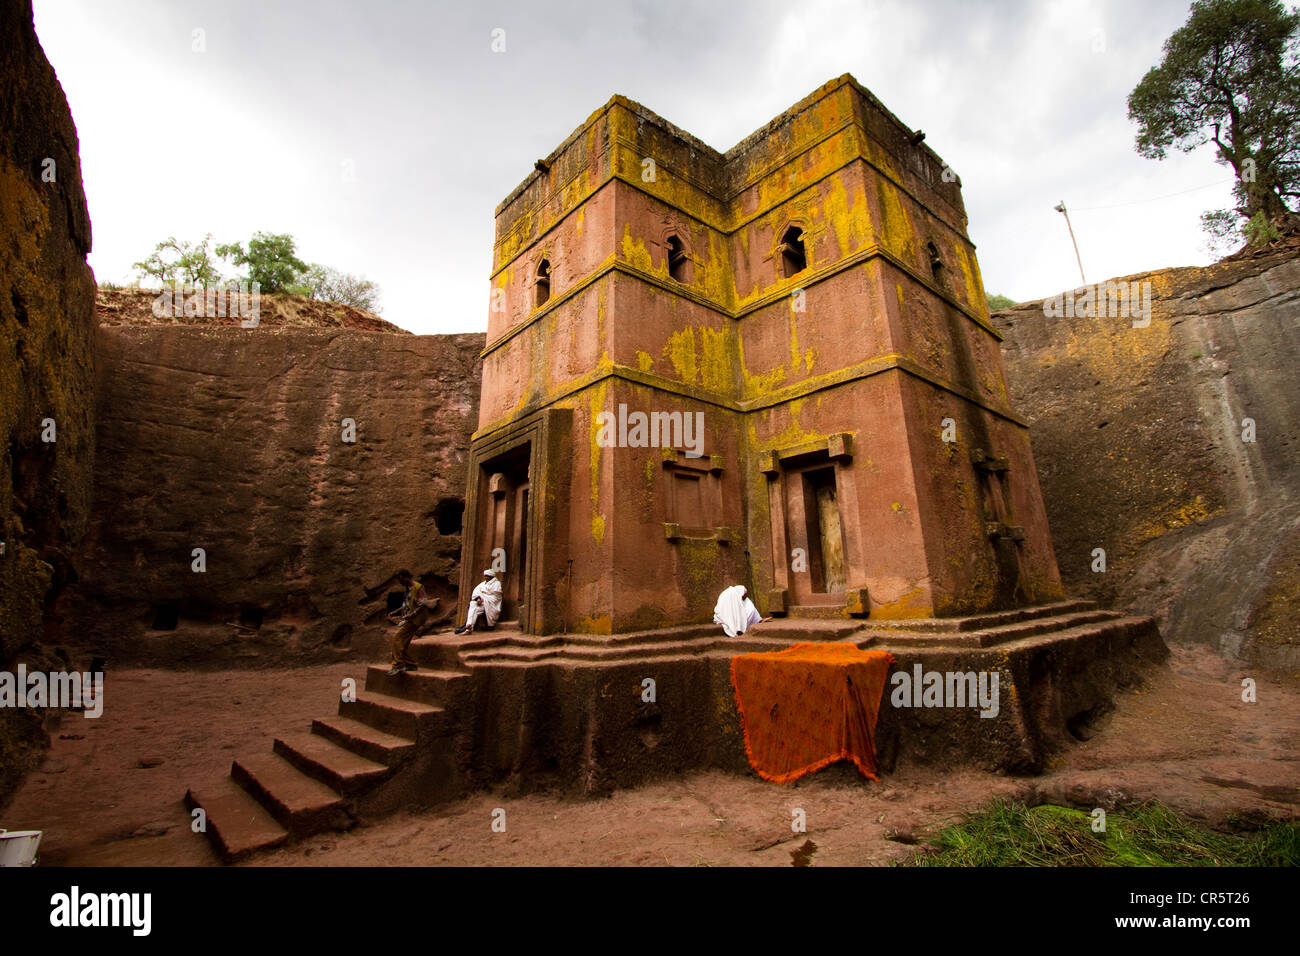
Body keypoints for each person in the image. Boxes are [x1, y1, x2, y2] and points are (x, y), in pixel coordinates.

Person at [389, 570, 436, 676]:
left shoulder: (418, 587)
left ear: (406, 577)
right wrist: (395, 612)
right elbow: (407, 603)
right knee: (403, 642)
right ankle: (410, 664)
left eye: (401, 579)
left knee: (397, 638)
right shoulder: (407, 588)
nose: (400, 582)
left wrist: (412, 615)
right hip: (408, 618)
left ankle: (398, 665)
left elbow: (423, 605)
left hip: (415, 619)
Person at [454, 569, 502, 634]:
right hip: (482, 603)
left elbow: (496, 597)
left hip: (491, 603)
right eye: (485, 576)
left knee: (476, 607)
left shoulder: (497, 584)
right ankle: (469, 626)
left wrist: (484, 598)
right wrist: (478, 598)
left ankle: (468, 626)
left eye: (487, 576)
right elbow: (476, 592)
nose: (486, 577)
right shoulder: (482, 584)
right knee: (473, 604)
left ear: (491, 576)